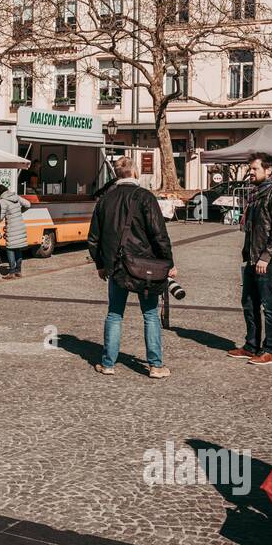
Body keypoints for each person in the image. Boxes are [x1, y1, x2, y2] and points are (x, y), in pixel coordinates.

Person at [87, 155, 174, 379]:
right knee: (150, 314)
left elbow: (94, 238)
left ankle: (108, 363)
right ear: (135, 172)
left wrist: (100, 264)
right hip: (145, 267)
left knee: (115, 314)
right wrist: (168, 263)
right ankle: (155, 365)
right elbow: (159, 233)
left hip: (116, 267)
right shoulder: (145, 197)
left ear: (116, 174)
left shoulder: (105, 199)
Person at [228, 151, 272, 365]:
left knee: (270, 304)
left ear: (269, 170)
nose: (251, 173)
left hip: (270, 258)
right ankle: (251, 345)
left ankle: (270, 350)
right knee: (249, 301)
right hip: (254, 256)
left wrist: (266, 256)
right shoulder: (258, 193)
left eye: (255, 169)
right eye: (250, 169)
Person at [0, 183, 31, 278]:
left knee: (10, 248)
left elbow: (0, 216)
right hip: (20, 225)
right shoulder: (15, 196)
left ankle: (12, 271)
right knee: (18, 247)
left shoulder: (3, 201)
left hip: (12, 227)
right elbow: (28, 204)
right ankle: (18, 270)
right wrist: (20, 211)